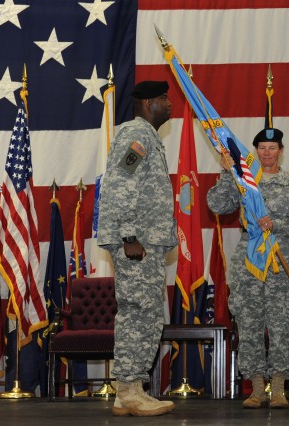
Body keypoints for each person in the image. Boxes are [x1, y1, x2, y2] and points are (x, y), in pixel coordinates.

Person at [207, 128, 289, 409]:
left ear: (281, 150)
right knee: (249, 323)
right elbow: (216, 205)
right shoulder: (244, 180)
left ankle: (277, 388)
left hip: (281, 259)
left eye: (272, 147)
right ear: (254, 152)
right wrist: (228, 173)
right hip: (249, 261)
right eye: (262, 148)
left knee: (281, 325)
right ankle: (256, 389)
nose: (267, 153)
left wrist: (275, 224)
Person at [97, 80, 177, 417]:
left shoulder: (148, 136)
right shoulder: (137, 134)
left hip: (146, 243)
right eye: (162, 98)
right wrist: (129, 236)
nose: (169, 104)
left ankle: (130, 391)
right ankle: (128, 390)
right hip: (137, 244)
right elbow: (121, 181)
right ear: (146, 104)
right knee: (138, 312)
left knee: (144, 312)